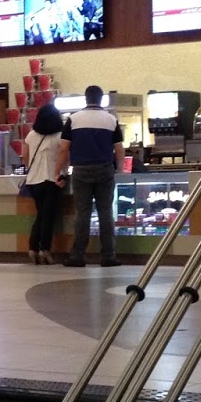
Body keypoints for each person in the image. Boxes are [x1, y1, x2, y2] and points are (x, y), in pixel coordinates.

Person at [60, 85, 124, 267]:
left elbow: (64, 148)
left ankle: (77, 256)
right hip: (105, 170)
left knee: (83, 213)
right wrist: (120, 171)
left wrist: (60, 171)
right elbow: (119, 149)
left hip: (80, 170)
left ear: (86, 99)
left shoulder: (73, 119)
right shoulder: (111, 120)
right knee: (105, 212)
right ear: (101, 99)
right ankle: (109, 256)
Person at [21, 103, 68, 264]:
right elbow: (64, 157)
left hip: (34, 180)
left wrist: (34, 169)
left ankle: (33, 248)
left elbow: (25, 156)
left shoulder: (31, 135)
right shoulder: (59, 136)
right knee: (48, 216)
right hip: (52, 180)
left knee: (40, 214)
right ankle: (44, 249)